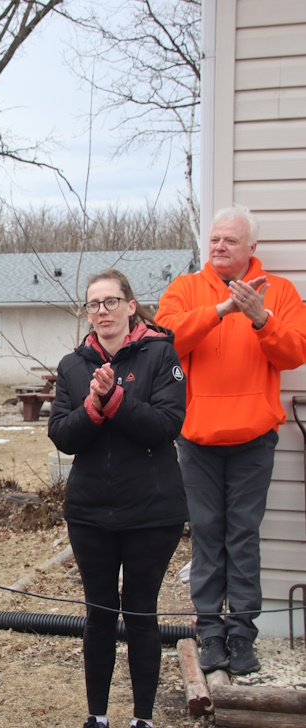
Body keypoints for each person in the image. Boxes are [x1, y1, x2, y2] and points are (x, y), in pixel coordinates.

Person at [155, 204, 306, 675]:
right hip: (197, 438)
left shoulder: (279, 292)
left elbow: (295, 352)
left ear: (251, 247)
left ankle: (241, 634)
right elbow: (165, 341)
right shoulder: (185, 290)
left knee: (242, 535)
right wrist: (221, 310)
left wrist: (261, 319)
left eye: (230, 241)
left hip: (254, 437)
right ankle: (210, 632)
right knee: (206, 534)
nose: (219, 246)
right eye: (215, 239)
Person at [49, 269, 188, 728]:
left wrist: (114, 400)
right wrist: (92, 407)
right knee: (100, 614)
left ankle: (143, 718)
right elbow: (62, 435)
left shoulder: (160, 354)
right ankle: (98, 716)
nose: (103, 311)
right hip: (90, 514)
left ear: (131, 306)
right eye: (94, 304)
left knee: (142, 614)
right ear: (88, 313)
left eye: (111, 301)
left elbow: (166, 426)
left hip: (153, 512)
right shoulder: (72, 366)